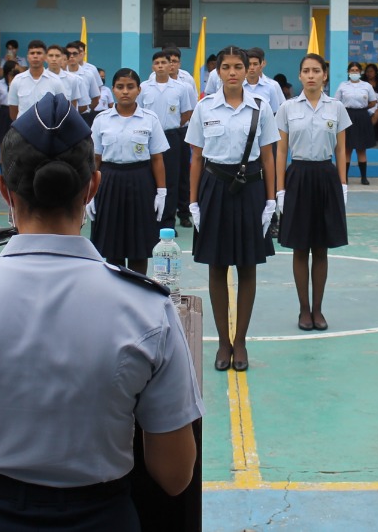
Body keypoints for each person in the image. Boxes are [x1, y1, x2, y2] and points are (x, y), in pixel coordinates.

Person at [0, 92, 202, 529]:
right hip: (102, 518)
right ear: (92, 187)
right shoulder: (148, 308)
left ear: (5, 190)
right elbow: (174, 475)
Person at [186, 45, 278, 373]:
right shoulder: (204, 107)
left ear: (248, 68)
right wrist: (193, 201)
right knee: (217, 265)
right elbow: (196, 158)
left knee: (247, 266)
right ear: (218, 72)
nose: (233, 72)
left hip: (250, 189)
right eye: (226, 67)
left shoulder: (260, 107)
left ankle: (241, 341)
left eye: (239, 66)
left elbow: (268, 157)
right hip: (214, 188)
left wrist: (271, 200)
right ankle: (223, 342)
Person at [275, 53, 349, 331]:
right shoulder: (287, 108)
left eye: (316, 70)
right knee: (299, 247)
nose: (310, 75)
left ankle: (318, 309)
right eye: (306, 71)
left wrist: (343, 184)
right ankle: (303, 309)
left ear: (324, 75)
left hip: (326, 176)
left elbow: (341, 149)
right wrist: (280, 189)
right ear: (300, 75)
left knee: (321, 247)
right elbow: (281, 151)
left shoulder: (336, 108)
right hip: (298, 176)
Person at [87, 68, 169, 275]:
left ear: (139, 90)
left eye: (130, 87)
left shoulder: (150, 119)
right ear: (113, 89)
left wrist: (161, 191)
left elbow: (157, 158)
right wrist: (89, 192)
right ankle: (114, 289)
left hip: (141, 180)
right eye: (120, 87)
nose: (125, 91)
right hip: (109, 181)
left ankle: (138, 287)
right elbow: (95, 159)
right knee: (111, 244)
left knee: (139, 246)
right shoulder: (101, 119)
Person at [139, 51, 195, 232]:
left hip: (171, 136)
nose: (161, 66)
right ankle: (150, 220)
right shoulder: (144, 87)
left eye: (164, 62)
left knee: (171, 180)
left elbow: (186, 113)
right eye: (157, 63)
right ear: (152, 66)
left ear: (171, 65)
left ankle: (167, 222)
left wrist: (172, 126)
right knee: (149, 178)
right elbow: (138, 111)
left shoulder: (181, 88)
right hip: (148, 137)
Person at [335, 61, 378, 184]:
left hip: (362, 116)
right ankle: (344, 178)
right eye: (352, 70)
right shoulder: (343, 85)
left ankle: (364, 177)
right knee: (347, 148)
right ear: (348, 72)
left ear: (360, 72)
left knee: (361, 149)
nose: (354, 72)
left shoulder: (367, 86)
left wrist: (363, 108)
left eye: (356, 70)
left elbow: (373, 101)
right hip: (347, 115)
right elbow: (336, 102)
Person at [6, 40, 66, 121]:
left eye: (39, 53)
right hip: (24, 127)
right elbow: (13, 110)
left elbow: (61, 108)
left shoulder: (55, 81)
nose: (35, 56)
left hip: (47, 127)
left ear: (45, 57)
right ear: (28, 57)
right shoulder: (17, 80)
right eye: (32, 53)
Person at [0, 60, 20, 144]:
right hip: (4, 112)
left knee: (16, 140)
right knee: (3, 140)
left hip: (17, 111)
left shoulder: (20, 83)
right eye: (15, 69)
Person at [363, 63, 378, 143]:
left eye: (371, 71)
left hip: (377, 106)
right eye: (367, 71)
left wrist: (376, 100)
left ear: (375, 72)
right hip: (365, 105)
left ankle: (366, 131)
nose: (369, 73)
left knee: (377, 113)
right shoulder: (362, 83)